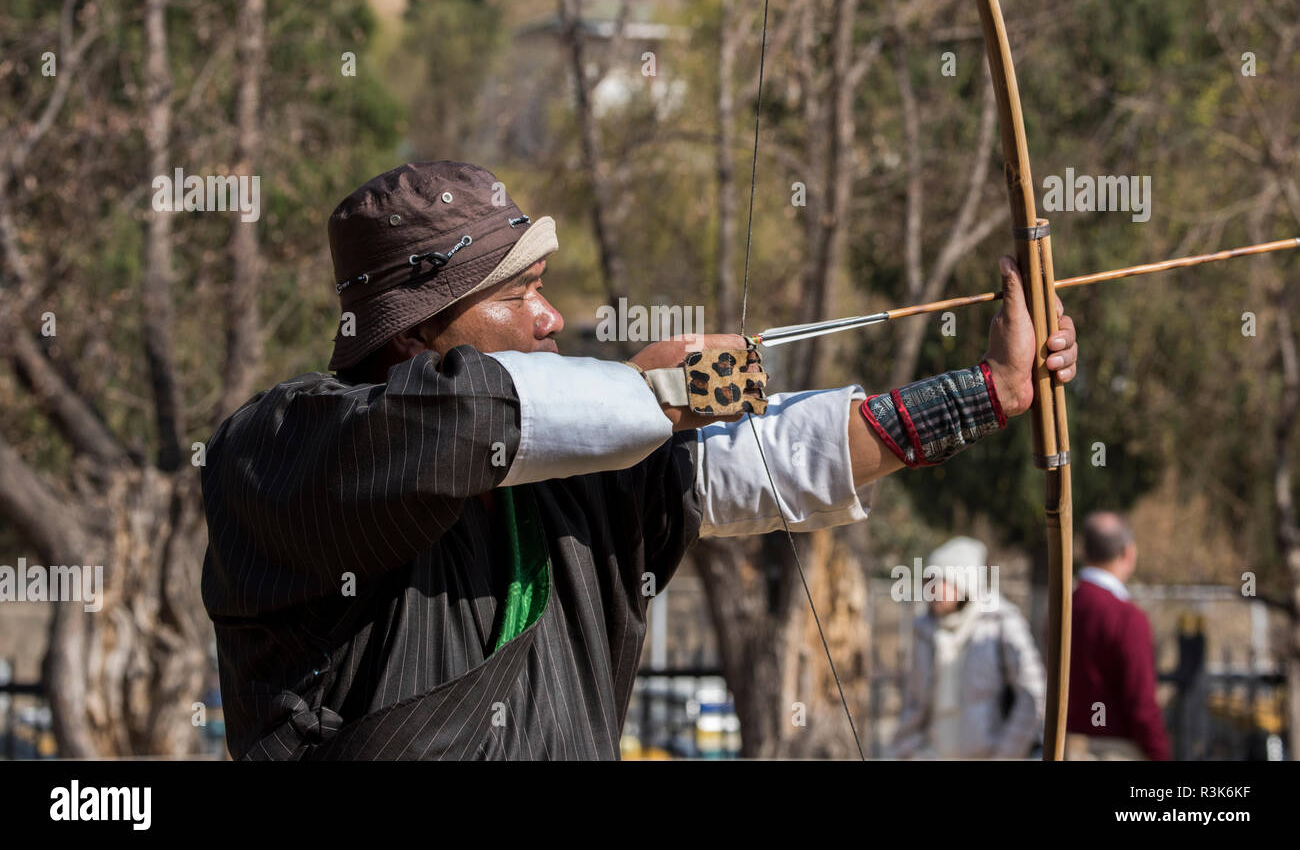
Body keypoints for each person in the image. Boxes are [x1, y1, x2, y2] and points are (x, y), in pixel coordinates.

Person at [198, 160, 1080, 759]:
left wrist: (988, 391)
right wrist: (659, 393)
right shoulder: (283, 449)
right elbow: (458, 423)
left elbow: (765, 461)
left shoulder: (582, 463)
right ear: (420, 325)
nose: (551, 317)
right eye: (520, 292)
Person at [890, 536, 1046, 759]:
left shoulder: (1000, 621)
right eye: (928, 579)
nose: (931, 589)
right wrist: (909, 750)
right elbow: (914, 701)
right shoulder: (923, 630)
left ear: (964, 582)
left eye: (940, 579)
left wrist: (1006, 755)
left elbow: (1032, 694)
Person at [1065, 511, 1170, 760]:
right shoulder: (1127, 618)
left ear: (1083, 551)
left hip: (1068, 748)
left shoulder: (1062, 611)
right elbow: (1141, 704)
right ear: (1128, 553)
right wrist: (1159, 753)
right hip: (1116, 752)